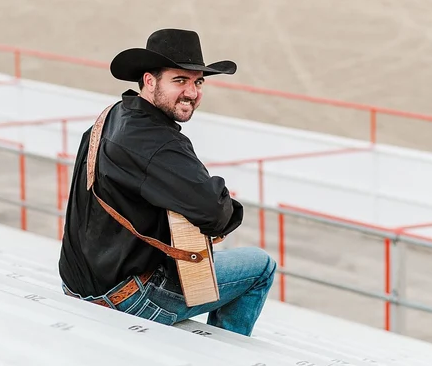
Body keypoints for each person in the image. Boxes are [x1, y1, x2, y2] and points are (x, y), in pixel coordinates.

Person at [59, 29, 275, 336]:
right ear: (150, 81)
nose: (192, 92)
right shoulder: (158, 143)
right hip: (127, 298)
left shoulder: (111, 116)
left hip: (77, 284)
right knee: (260, 266)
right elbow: (214, 214)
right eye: (179, 80)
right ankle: (224, 354)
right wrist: (227, 204)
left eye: (198, 81)